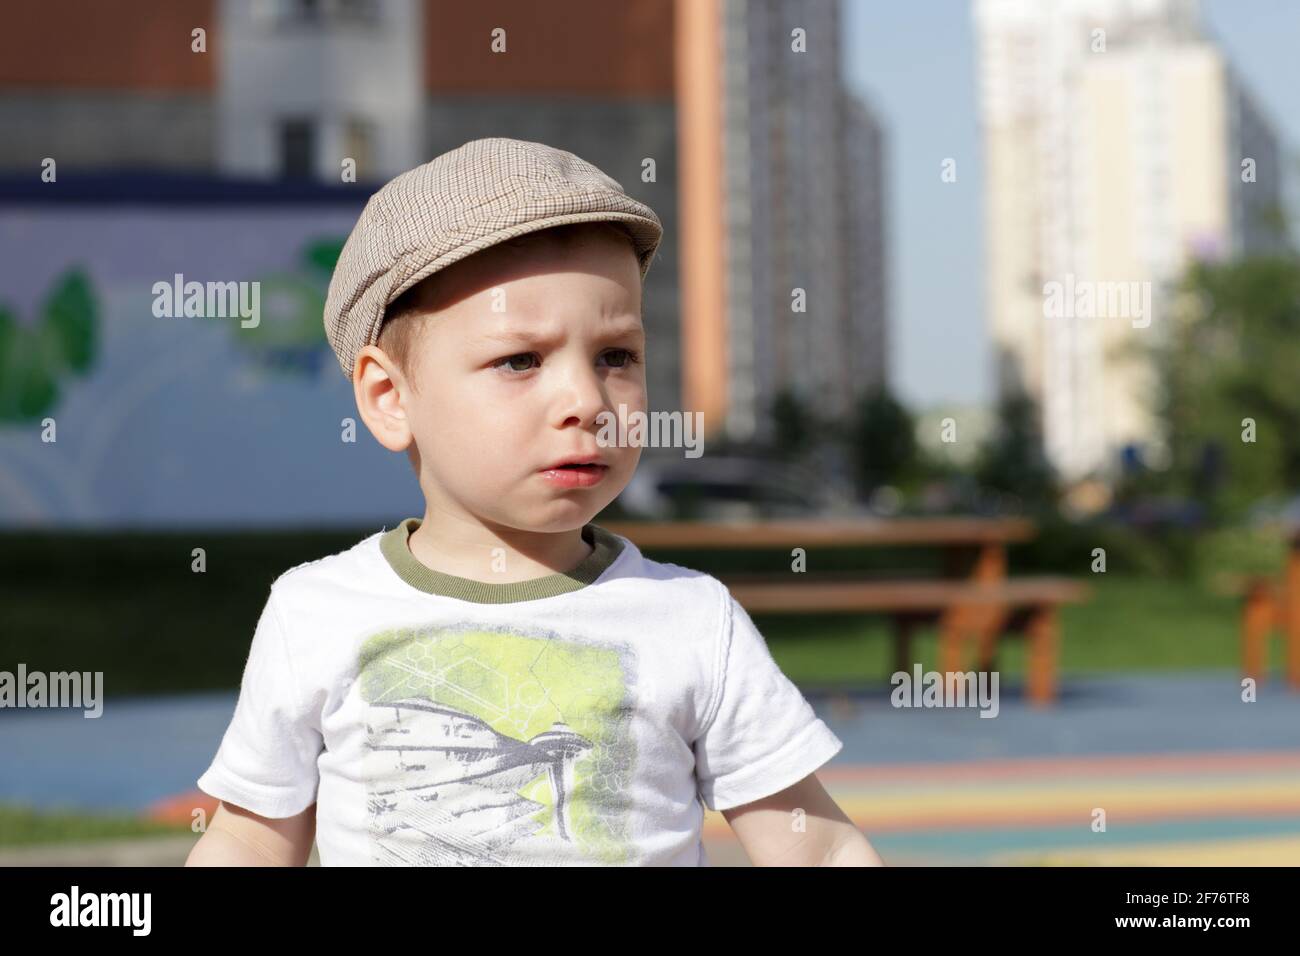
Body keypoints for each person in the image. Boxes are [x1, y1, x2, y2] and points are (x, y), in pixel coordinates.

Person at [186, 137, 884, 867]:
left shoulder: (694, 621)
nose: (586, 399)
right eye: (520, 360)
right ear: (390, 398)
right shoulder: (316, 613)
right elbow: (247, 841)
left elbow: (818, 846)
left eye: (615, 356)